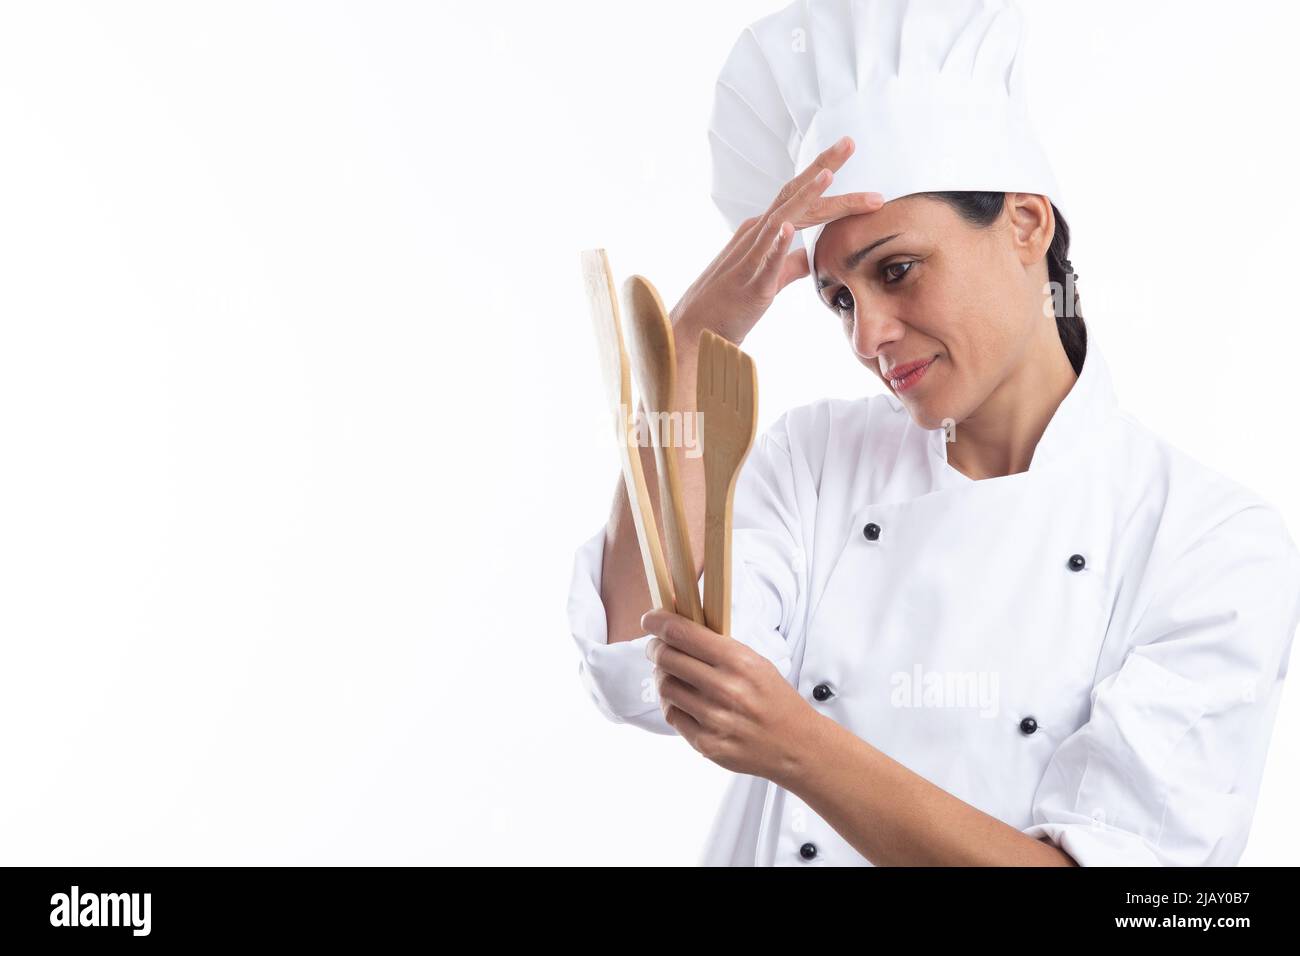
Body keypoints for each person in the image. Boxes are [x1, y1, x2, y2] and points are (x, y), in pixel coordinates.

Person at [566, 0, 1300, 865]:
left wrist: (800, 744)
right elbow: (641, 658)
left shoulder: (1208, 543)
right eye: (839, 298)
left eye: (896, 270)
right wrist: (686, 343)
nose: (866, 335)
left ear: (1027, 224)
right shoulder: (816, 461)